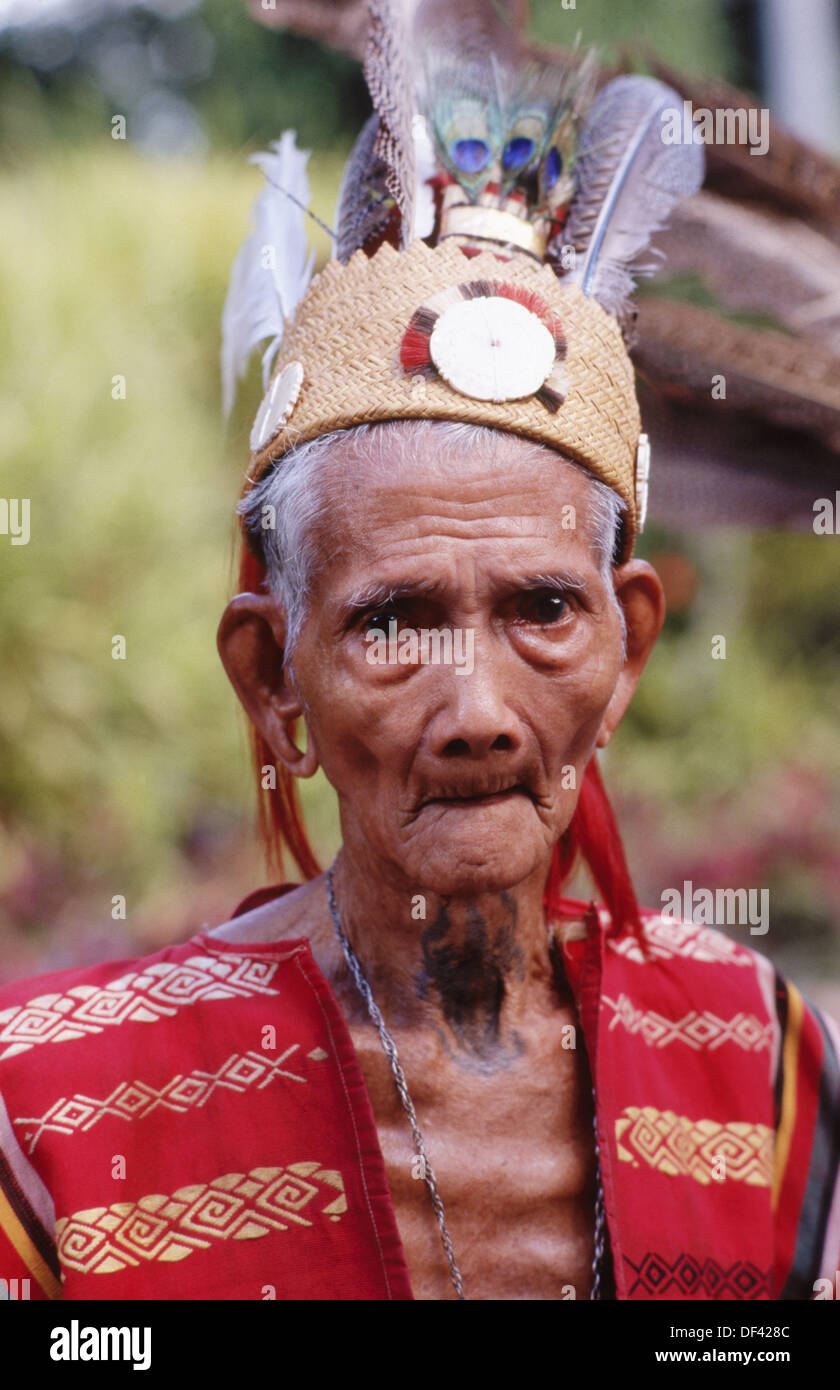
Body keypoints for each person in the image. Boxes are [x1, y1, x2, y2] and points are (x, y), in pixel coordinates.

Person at [0, 2, 837, 1302]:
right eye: (392, 620)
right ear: (272, 676)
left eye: (542, 611)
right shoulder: (57, 1116)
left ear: (626, 652)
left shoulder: (757, 1058)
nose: (481, 710)